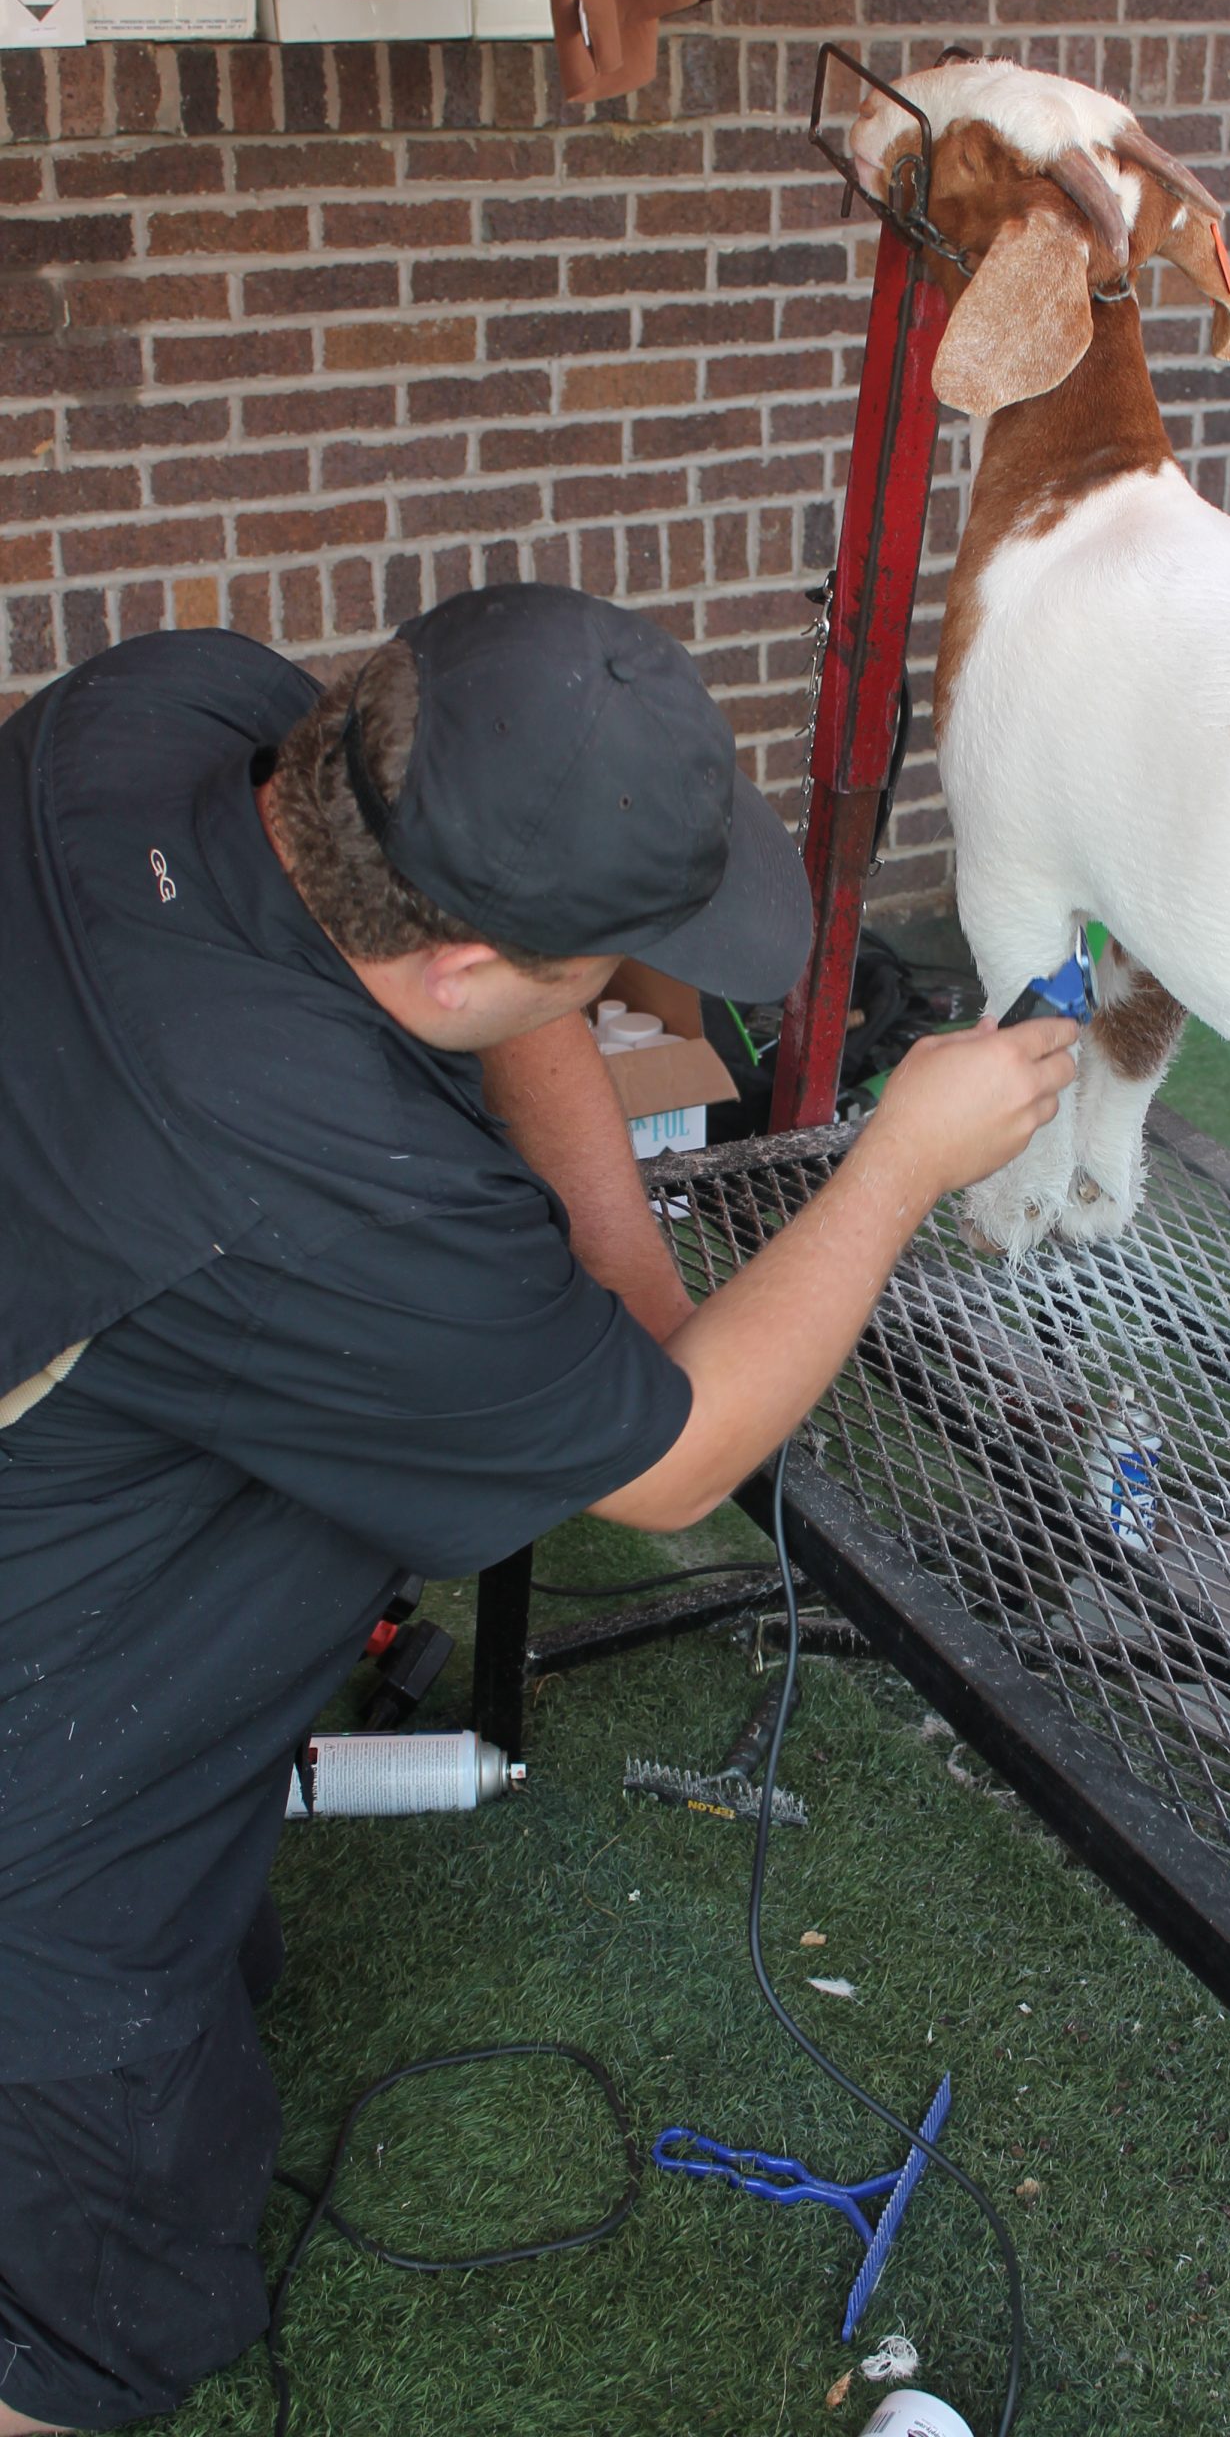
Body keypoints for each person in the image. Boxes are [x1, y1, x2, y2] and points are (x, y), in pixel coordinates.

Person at [0, 582, 1077, 2434]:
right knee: (93, 2311)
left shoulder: (167, 713)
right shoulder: (320, 1195)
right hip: (32, 1801)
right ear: (453, 964)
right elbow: (672, 1470)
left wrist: (634, 1311)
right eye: (607, 959)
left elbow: (509, 1023)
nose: (635, 988)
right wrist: (901, 1162)